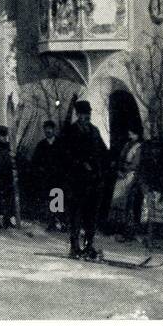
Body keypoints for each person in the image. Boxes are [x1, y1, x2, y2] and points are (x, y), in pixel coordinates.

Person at [56, 101, 110, 260]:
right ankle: (74, 247)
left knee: (91, 215)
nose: (87, 116)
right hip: (76, 181)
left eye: (88, 113)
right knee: (75, 214)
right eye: (83, 114)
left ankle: (88, 245)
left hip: (94, 180)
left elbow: (103, 151)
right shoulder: (70, 131)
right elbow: (64, 155)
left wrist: (106, 164)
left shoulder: (94, 131)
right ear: (78, 114)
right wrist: (80, 163)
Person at [27, 120, 64, 231]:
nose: (48, 131)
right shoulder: (41, 145)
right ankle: (51, 222)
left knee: (58, 198)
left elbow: (65, 159)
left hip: (58, 176)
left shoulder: (60, 144)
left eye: (50, 129)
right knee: (48, 199)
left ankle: (59, 221)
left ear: (54, 130)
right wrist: (40, 171)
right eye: (46, 129)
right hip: (46, 177)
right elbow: (35, 162)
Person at [108, 127, 144, 239]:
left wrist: (125, 170)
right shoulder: (127, 145)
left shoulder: (139, 147)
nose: (130, 135)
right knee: (115, 201)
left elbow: (135, 164)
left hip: (131, 175)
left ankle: (125, 229)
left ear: (137, 135)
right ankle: (114, 227)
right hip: (122, 174)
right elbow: (121, 158)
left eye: (132, 134)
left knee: (126, 202)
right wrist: (119, 169)